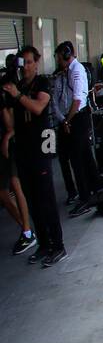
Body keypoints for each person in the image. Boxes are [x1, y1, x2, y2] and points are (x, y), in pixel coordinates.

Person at [2, 46, 66, 266]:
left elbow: (38, 107)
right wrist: (7, 99)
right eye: (23, 63)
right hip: (24, 149)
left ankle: (58, 245)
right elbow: (10, 122)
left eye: (29, 62)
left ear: (36, 63)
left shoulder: (43, 83)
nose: (26, 67)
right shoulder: (17, 87)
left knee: (46, 198)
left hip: (42, 145)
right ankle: (44, 244)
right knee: (32, 199)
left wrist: (18, 96)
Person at [51, 42, 98, 217]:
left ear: (66, 54)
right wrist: (63, 120)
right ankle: (92, 190)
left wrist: (67, 121)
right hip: (67, 119)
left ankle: (87, 196)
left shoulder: (77, 70)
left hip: (77, 119)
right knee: (78, 157)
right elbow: (56, 100)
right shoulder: (62, 74)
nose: (56, 60)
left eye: (58, 56)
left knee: (79, 159)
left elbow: (78, 100)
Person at [0, 54, 35, 255]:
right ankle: (26, 229)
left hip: (10, 144)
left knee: (14, 185)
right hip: (9, 143)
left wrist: (8, 135)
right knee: (7, 190)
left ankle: (27, 231)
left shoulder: (14, 87)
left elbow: (12, 122)